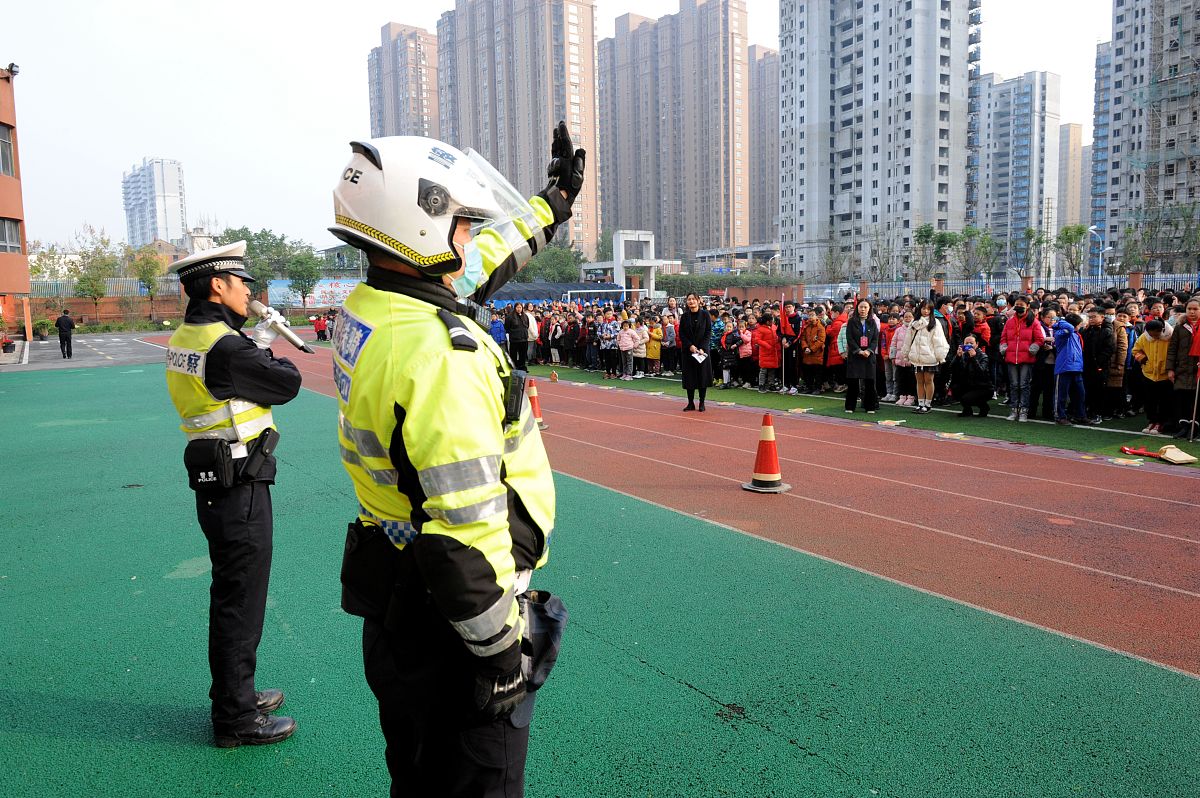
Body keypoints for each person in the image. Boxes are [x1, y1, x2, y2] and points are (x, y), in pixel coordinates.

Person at [328, 125, 581, 796]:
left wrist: (550, 206)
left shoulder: (374, 308)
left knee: (414, 778)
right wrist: (499, 652)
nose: (469, 237)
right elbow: (464, 529)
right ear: (419, 227)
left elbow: (483, 261)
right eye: (460, 223)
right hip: (457, 625)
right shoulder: (440, 355)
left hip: (398, 604)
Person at [164, 241, 302, 747]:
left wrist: (250, 341)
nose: (249, 290)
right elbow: (286, 383)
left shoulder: (191, 335)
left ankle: (236, 694)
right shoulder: (225, 347)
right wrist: (262, 348)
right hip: (239, 485)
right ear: (218, 286)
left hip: (219, 481)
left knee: (232, 596)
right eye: (241, 281)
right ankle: (236, 718)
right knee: (240, 602)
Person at [999, 296, 1045, 422]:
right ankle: (1014, 410)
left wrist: (1033, 348)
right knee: (1014, 385)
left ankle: (1024, 410)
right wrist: (1004, 347)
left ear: (1027, 306)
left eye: (1021, 304)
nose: (1018, 306)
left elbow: (1039, 339)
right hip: (1011, 357)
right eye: (1017, 304)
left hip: (1027, 358)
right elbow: (1003, 338)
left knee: (1024, 385)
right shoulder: (1009, 322)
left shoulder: (1034, 321)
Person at [904, 301, 949, 414]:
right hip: (916, 356)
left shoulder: (935, 323)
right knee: (919, 380)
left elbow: (939, 341)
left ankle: (928, 404)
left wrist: (940, 356)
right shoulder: (914, 323)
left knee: (928, 380)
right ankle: (920, 403)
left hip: (930, 357)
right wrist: (906, 354)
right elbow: (907, 340)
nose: (926, 311)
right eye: (924, 308)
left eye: (928, 309)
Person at [1164, 296, 1199, 439]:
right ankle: (1183, 426)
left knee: (1196, 400)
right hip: (1183, 369)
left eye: (1195, 309)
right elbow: (1172, 349)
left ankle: (1195, 427)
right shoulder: (1180, 327)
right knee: (1183, 399)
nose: (1192, 312)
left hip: (1197, 371)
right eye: (1189, 309)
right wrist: (1170, 369)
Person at [1132, 318, 1173, 434]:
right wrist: (1143, 359)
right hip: (1148, 374)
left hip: (1165, 375)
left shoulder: (1170, 336)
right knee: (1150, 400)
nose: (1154, 336)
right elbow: (1135, 350)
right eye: (1151, 334)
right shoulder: (1144, 338)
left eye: (1156, 333)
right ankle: (1152, 421)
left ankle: (1160, 423)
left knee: (1164, 401)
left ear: (1162, 330)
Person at [844, 298, 880, 413]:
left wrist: (869, 351)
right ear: (857, 308)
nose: (863, 309)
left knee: (870, 382)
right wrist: (858, 350)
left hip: (869, 356)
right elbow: (849, 338)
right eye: (861, 307)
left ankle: (870, 406)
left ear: (869, 309)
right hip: (855, 356)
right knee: (853, 382)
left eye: (865, 307)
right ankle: (850, 406)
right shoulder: (851, 322)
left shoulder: (872, 322)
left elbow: (875, 339)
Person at [679, 292, 713, 411]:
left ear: (698, 300)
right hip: (688, 351)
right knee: (690, 377)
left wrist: (702, 347)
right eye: (689, 299)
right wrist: (689, 345)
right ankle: (690, 403)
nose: (691, 301)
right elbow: (681, 333)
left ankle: (702, 403)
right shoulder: (684, 316)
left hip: (702, 352)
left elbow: (708, 332)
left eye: (693, 299)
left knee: (702, 377)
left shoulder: (705, 314)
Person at [1053, 312, 1087, 425]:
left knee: (1080, 394)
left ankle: (1080, 415)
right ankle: (1060, 416)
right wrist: (1061, 320)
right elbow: (1069, 327)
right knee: (1061, 395)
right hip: (1064, 367)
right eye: (1079, 324)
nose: (1080, 326)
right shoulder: (1062, 333)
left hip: (1077, 368)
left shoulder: (1076, 334)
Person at [949, 334, 994, 417]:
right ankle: (967, 410)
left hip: (983, 388)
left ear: (977, 344)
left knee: (967, 398)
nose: (969, 345)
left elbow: (980, 372)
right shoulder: (963, 355)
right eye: (966, 343)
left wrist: (973, 358)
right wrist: (957, 357)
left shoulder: (983, 356)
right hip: (969, 385)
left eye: (971, 343)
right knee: (955, 388)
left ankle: (984, 407)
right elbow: (952, 369)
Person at [505, 303, 529, 371]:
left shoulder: (525, 316)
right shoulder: (510, 317)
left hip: (524, 339)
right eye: (517, 307)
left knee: (523, 354)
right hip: (514, 340)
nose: (519, 309)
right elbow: (507, 327)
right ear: (515, 308)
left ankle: (522, 367)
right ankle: (514, 367)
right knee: (513, 354)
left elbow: (527, 326)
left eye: (520, 307)